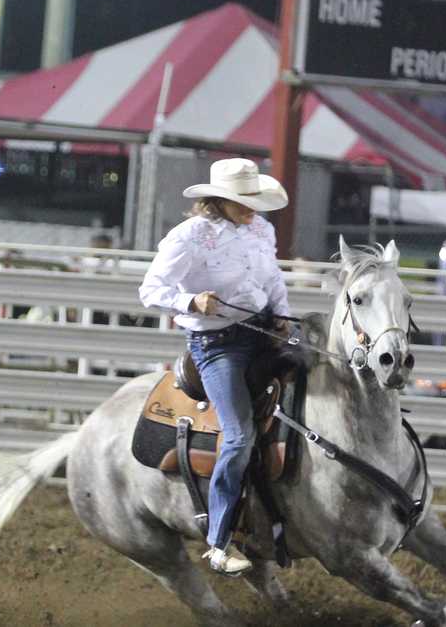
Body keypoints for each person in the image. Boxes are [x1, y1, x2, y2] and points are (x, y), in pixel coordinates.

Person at [138, 157, 293, 576]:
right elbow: (151, 290)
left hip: (263, 332)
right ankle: (220, 542)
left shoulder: (262, 230)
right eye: (244, 201)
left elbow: (273, 279)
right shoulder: (188, 237)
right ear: (219, 200)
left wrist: (282, 313)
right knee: (240, 435)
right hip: (217, 344)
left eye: (254, 200)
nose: (252, 209)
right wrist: (192, 302)